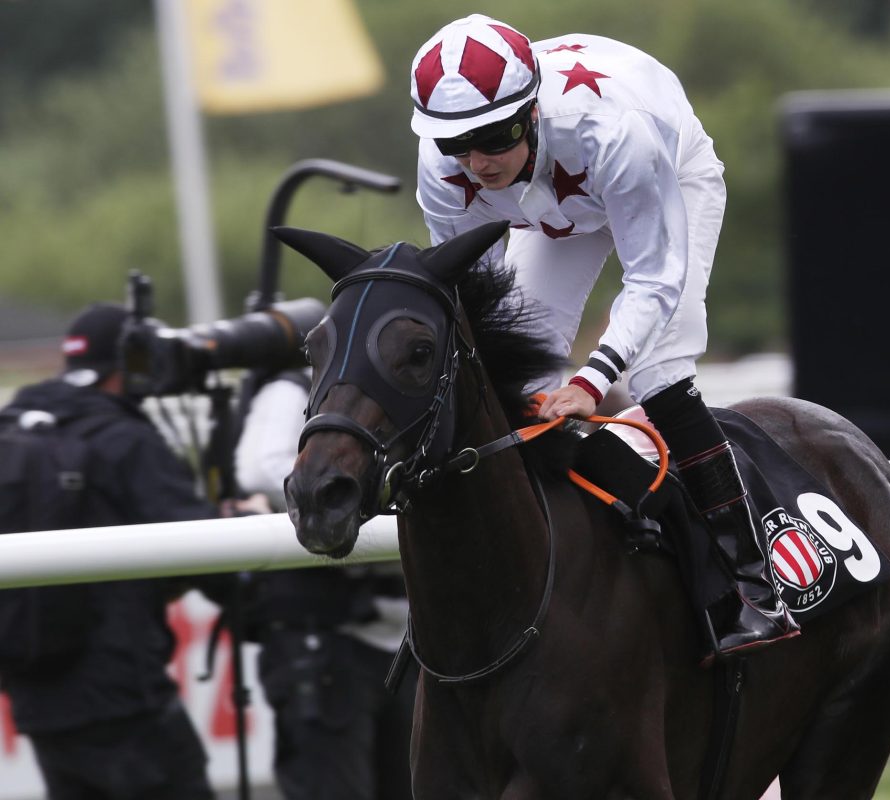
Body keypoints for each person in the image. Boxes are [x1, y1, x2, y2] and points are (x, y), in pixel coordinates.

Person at [410, 14, 796, 659]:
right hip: (554, 211)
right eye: (459, 144)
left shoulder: (614, 131)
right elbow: (475, 312)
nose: (478, 161)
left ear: (530, 113)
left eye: (495, 136)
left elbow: (652, 279)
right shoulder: (444, 167)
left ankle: (752, 588)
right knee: (518, 381)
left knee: (657, 372)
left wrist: (593, 379)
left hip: (665, 177)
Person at [0, 302, 224, 800]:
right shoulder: (126, 438)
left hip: (37, 703)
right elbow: (209, 555)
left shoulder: (15, 424)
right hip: (126, 702)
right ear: (134, 360)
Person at [235, 367, 417, 800]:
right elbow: (260, 471)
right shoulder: (292, 387)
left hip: (401, 640)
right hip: (327, 641)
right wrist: (371, 494)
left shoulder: (401, 383)